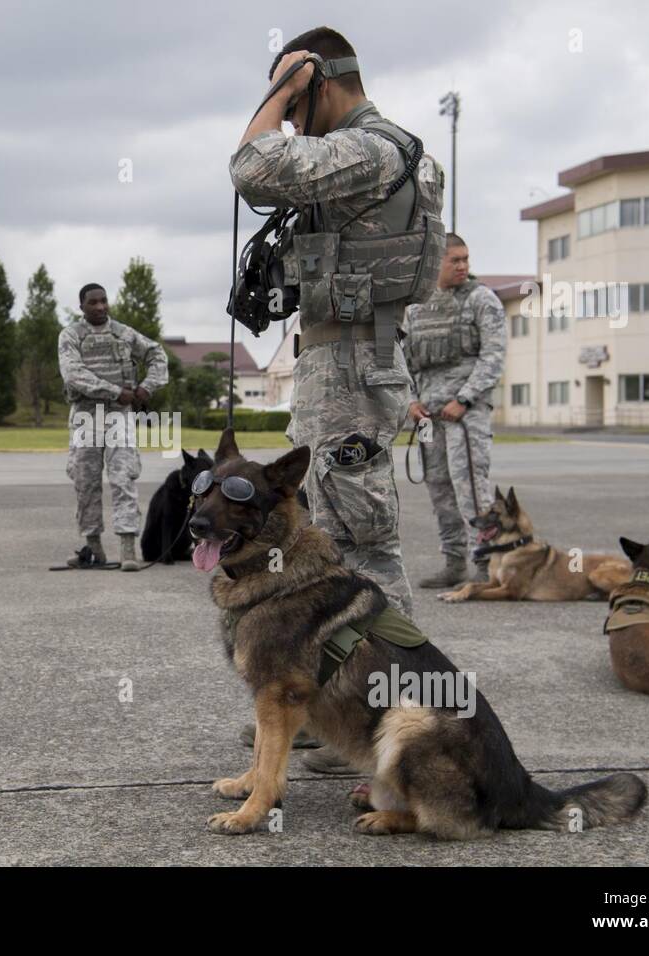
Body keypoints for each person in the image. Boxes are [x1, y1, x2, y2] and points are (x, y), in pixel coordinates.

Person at [228, 26, 445, 768]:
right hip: (339, 363)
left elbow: (252, 169)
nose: (289, 121)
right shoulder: (359, 156)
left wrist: (283, 86)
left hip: (354, 365)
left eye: (296, 104)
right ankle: (341, 708)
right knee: (326, 542)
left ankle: (410, 722)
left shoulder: (374, 148)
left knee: (362, 546)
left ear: (322, 79)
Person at [403, 234, 506, 587]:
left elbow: (494, 356)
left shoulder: (482, 300)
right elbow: (404, 363)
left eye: (466, 259)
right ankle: (453, 562)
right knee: (440, 489)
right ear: (435, 261)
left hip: (466, 414)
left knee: (472, 489)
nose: (463, 266)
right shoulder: (414, 307)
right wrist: (410, 401)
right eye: (454, 260)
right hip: (429, 416)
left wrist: (464, 399)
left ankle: (487, 564)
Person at [57, 283, 168, 572]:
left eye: (104, 301)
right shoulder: (71, 336)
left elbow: (157, 355)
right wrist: (114, 391)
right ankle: (93, 549)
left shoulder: (124, 333)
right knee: (85, 482)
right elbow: (73, 375)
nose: (100, 307)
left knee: (124, 478)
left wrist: (147, 387)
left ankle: (127, 548)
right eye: (93, 302)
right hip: (85, 415)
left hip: (120, 416)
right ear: (81, 306)